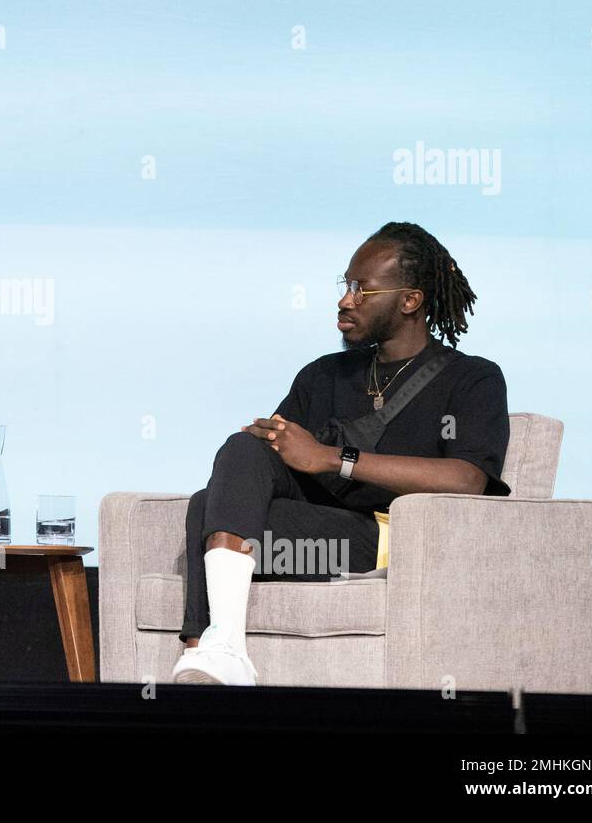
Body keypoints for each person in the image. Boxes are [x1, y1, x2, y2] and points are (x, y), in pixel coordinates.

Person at [172, 222, 511, 685]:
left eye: (362, 289)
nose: (345, 299)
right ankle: (215, 651)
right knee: (232, 466)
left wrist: (333, 458)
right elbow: (266, 465)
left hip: (391, 539)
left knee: (209, 510)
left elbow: (468, 479)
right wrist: (268, 443)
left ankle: (210, 648)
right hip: (314, 535)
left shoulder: (473, 378)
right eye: (345, 285)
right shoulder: (322, 375)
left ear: (410, 300)